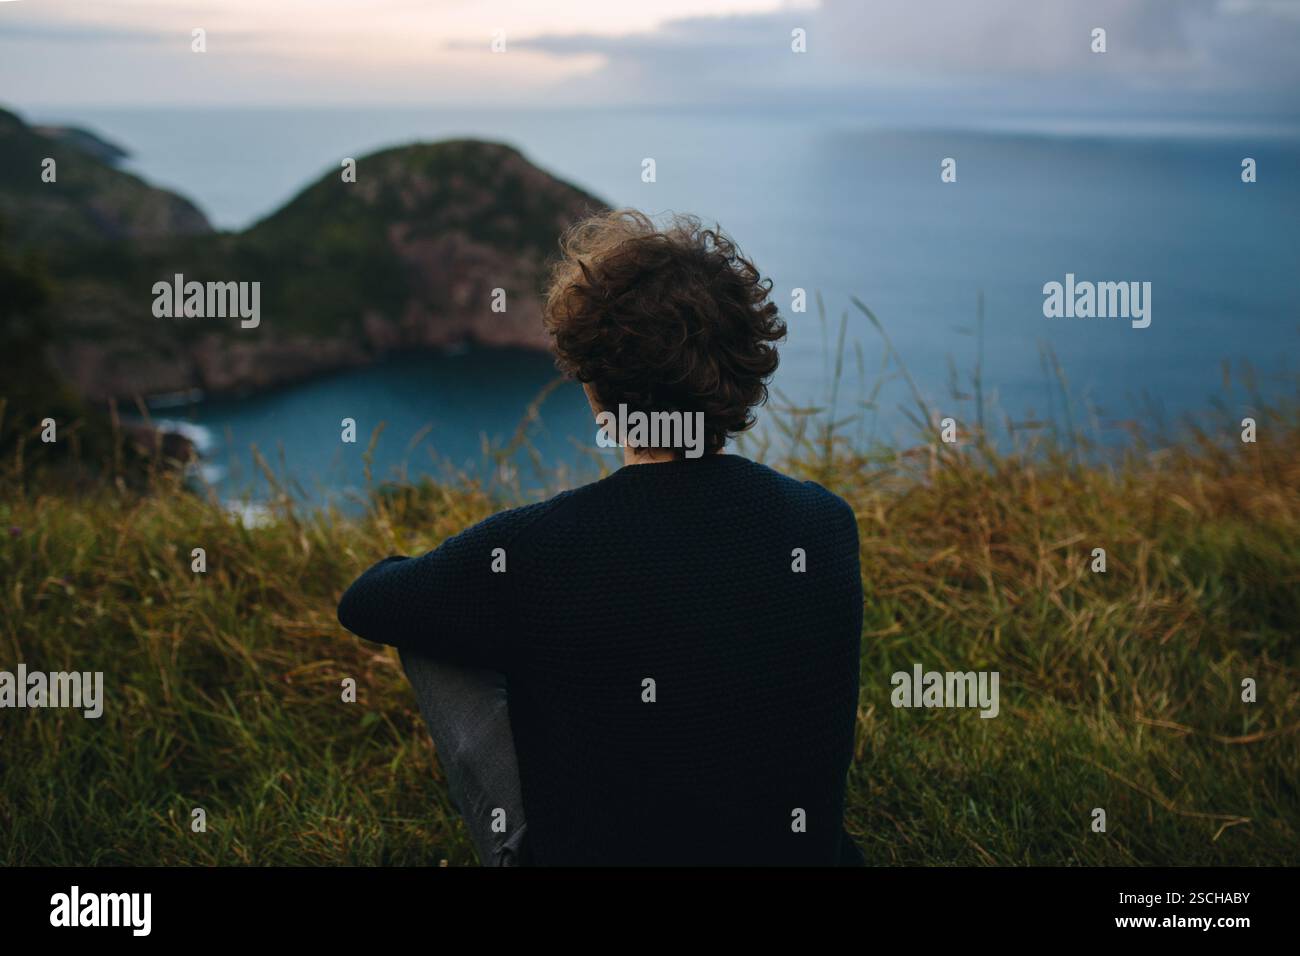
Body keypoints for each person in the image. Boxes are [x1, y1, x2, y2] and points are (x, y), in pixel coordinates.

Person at [337, 209, 864, 865]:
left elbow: (366, 603)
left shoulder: (540, 548)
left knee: (435, 631)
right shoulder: (824, 521)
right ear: (741, 370)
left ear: (594, 386)